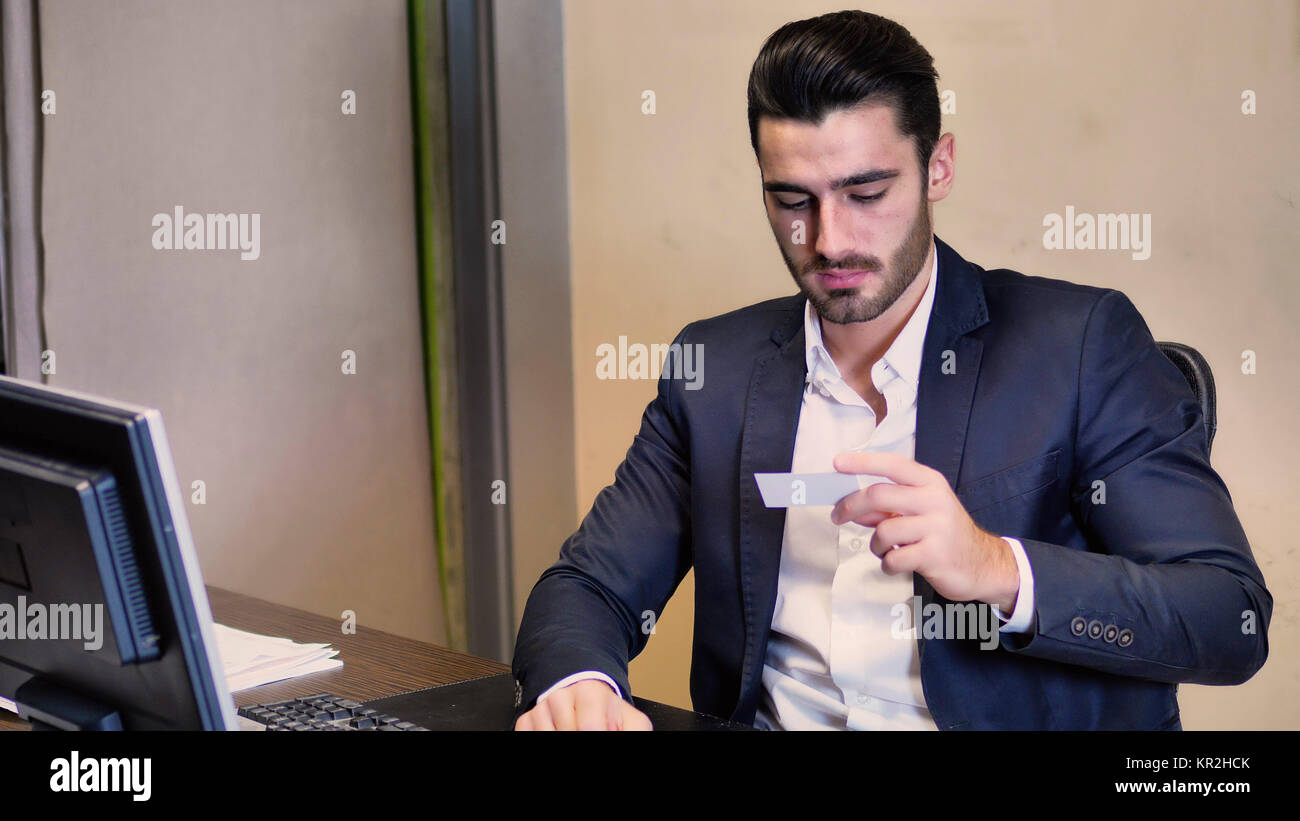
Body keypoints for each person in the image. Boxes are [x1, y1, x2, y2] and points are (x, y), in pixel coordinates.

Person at [511, 9, 1271, 731]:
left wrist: (999, 567)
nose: (829, 240)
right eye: (791, 200)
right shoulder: (714, 370)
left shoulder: (1078, 345)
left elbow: (1228, 614)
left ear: (938, 166)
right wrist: (580, 686)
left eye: (866, 192)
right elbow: (587, 589)